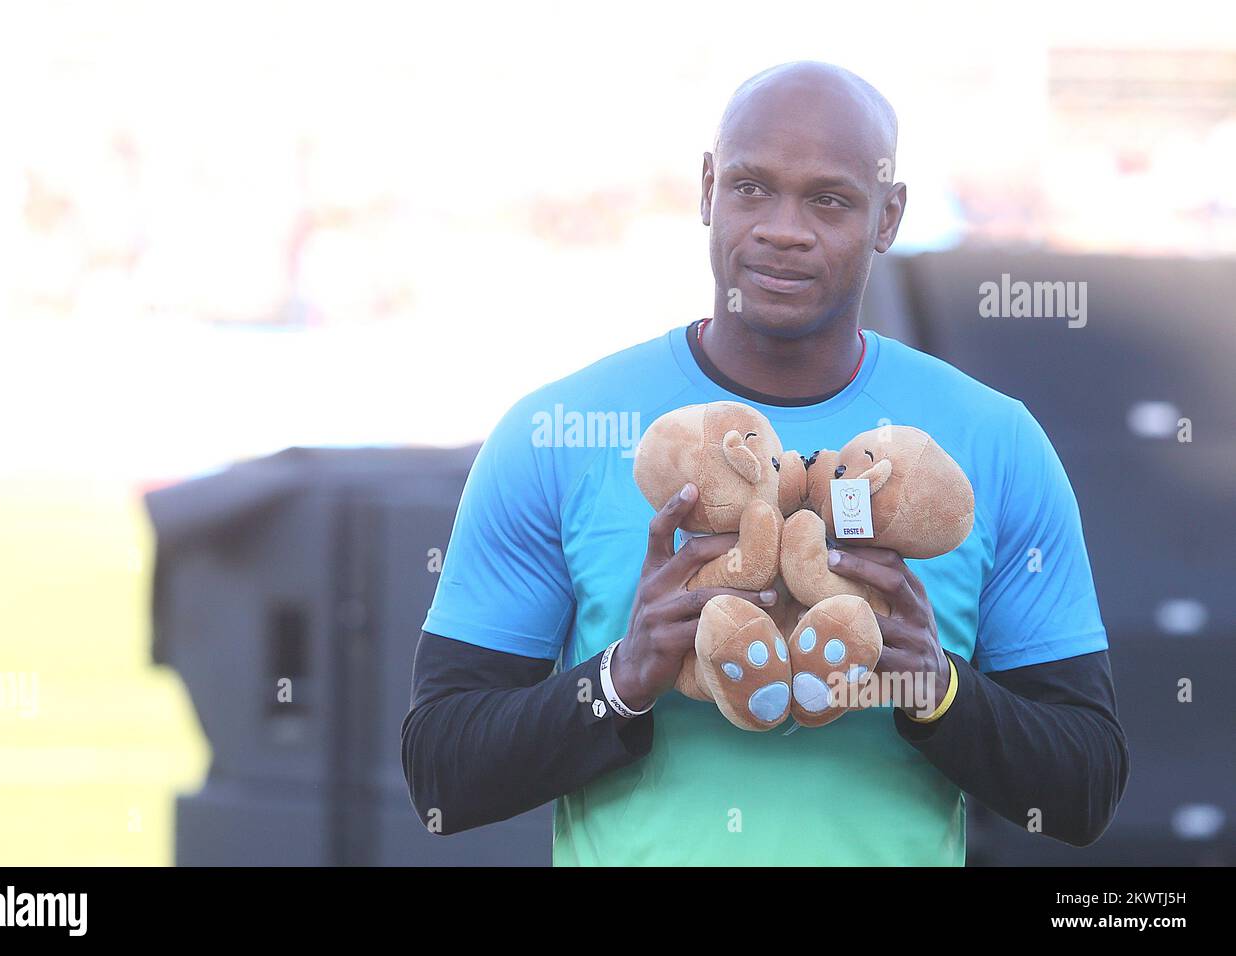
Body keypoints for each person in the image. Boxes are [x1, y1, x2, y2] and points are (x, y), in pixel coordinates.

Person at [401, 61, 1129, 865]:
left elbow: (1084, 790)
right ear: (708, 188)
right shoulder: (553, 434)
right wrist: (621, 678)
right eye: (752, 187)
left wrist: (936, 688)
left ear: (888, 217)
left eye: (829, 198)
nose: (784, 227)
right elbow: (442, 773)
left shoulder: (994, 441)